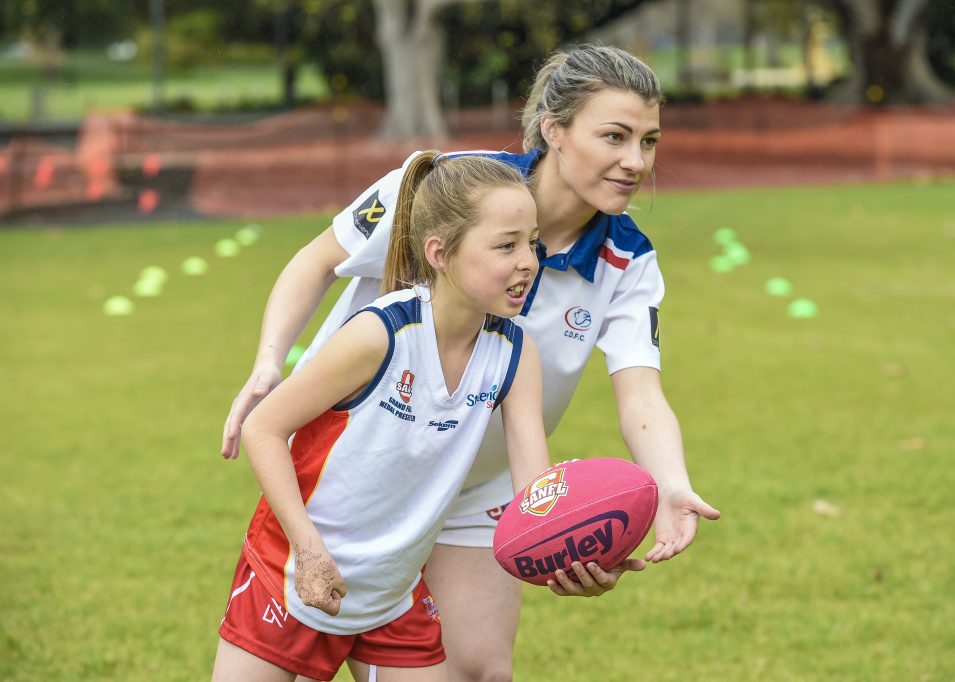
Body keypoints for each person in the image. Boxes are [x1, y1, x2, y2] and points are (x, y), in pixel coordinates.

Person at [221, 44, 720, 681]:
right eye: (615, 136)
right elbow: (318, 259)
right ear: (555, 130)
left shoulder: (628, 259)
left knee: (482, 670)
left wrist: (668, 485)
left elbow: (641, 394)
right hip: (364, 470)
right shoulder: (446, 188)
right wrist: (269, 365)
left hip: (480, 484)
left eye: (648, 141)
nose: (636, 162)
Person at [214, 153, 608, 682]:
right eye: (506, 245)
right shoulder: (381, 333)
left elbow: (533, 493)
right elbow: (265, 427)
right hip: (291, 569)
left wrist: (572, 546)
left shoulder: (516, 354)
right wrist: (308, 550)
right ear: (440, 253)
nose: (528, 262)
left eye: (532, 243)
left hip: (392, 590)